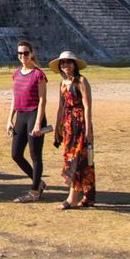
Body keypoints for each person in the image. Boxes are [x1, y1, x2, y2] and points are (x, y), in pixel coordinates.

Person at [50, 51, 96, 208]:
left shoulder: (81, 81)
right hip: (68, 126)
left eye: (68, 62)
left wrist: (88, 130)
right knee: (77, 160)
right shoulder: (63, 83)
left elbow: (87, 107)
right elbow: (61, 107)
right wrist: (58, 127)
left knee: (76, 160)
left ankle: (72, 198)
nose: (65, 66)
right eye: (62, 63)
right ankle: (87, 196)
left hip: (80, 125)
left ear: (74, 65)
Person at [6, 40, 48, 202]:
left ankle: (34, 191)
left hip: (34, 115)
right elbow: (15, 98)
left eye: (25, 53)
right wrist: (9, 118)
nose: (22, 56)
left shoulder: (38, 74)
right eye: (20, 53)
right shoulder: (16, 74)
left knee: (35, 155)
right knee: (16, 154)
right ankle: (39, 182)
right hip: (21, 116)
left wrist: (38, 123)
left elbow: (42, 100)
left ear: (32, 54)